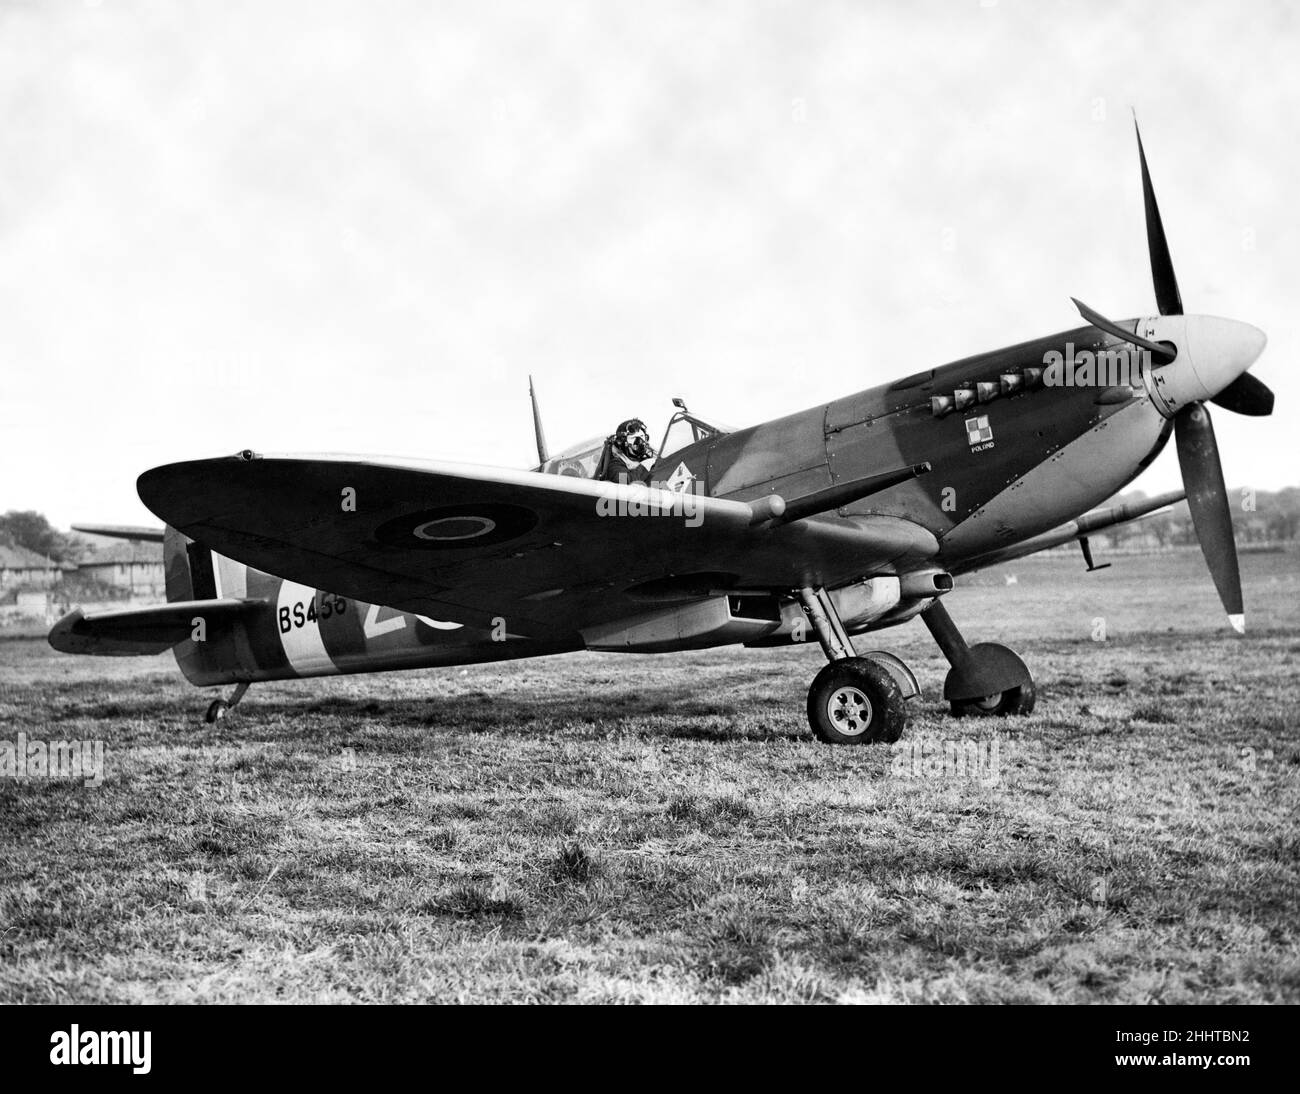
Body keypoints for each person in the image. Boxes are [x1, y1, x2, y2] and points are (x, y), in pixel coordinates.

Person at [595, 418, 656, 485]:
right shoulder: (615, 464)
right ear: (623, 442)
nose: (640, 441)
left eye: (642, 436)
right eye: (633, 438)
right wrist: (644, 467)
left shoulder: (647, 457)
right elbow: (623, 483)